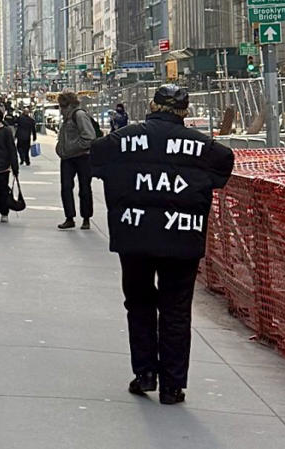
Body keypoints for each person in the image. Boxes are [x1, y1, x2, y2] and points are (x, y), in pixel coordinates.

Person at [91, 85, 234, 405]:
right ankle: (173, 385)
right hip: (182, 238)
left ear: (153, 106)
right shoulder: (205, 147)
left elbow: (96, 157)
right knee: (177, 310)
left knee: (139, 303)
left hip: (135, 235)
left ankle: (144, 374)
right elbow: (225, 164)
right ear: (184, 111)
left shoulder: (125, 138)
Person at [55, 91, 96, 230]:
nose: (60, 109)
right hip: (67, 158)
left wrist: (72, 148)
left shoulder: (79, 115)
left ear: (68, 105)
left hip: (82, 157)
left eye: (62, 106)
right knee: (66, 188)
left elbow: (89, 137)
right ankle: (69, 217)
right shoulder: (67, 118)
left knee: (84, 188)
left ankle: (86, 218)